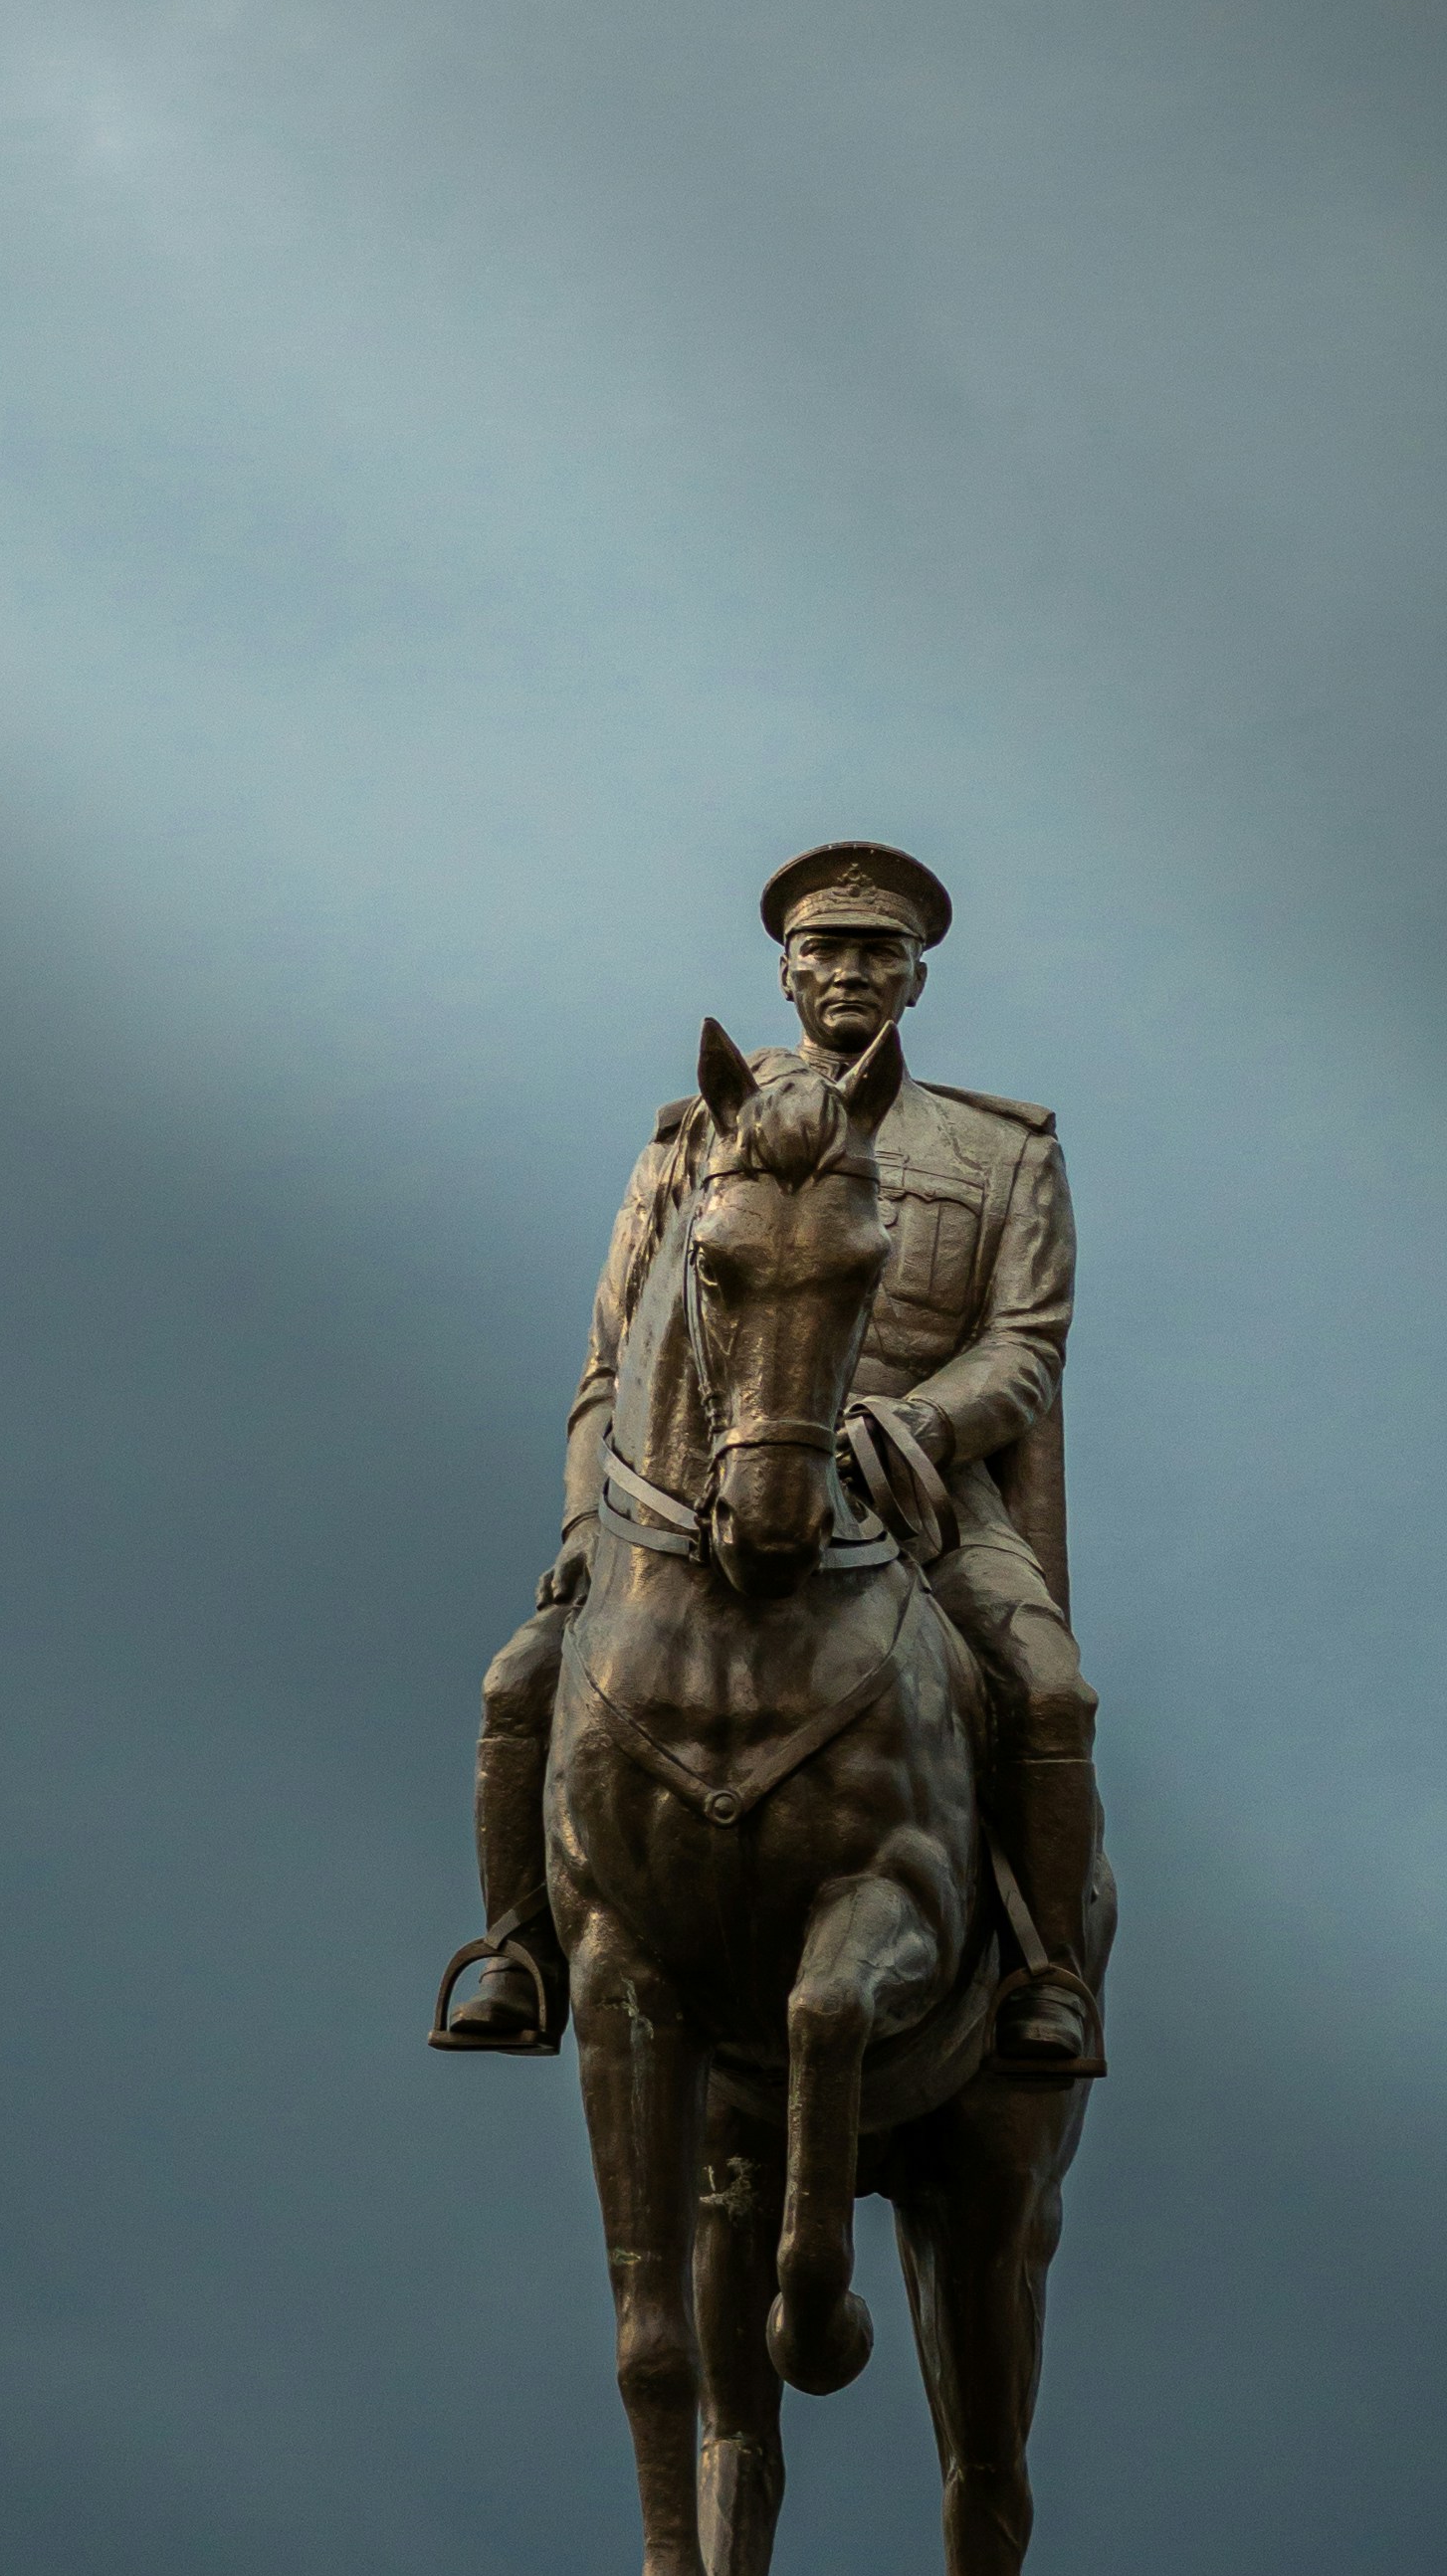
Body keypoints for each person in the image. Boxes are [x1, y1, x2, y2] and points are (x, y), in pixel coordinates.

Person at [435, 840, 1105, 2071]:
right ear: (786, 973)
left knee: (1047, 1690)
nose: (850, 972)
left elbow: (1024, 1344)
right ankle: (520, 1950)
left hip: (915, 1488)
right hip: (699, 1488)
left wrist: (919, 1427)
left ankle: (1041, 1972)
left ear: (915, 980)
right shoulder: (687, 1142)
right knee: (518, 1682)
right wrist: (585, 1530)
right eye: (824, 951)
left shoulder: (1002, 1153)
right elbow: (610, 1358)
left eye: (878, 953)